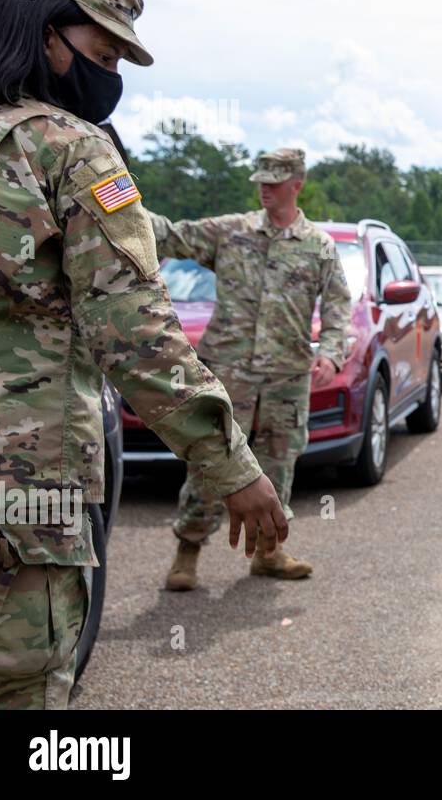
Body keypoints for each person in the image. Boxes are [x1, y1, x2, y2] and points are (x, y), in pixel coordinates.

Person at [0, 0, 287, 710]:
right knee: (18, 688)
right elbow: (136, 334)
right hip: (20, 495)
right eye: (104, 54)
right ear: (46, 34)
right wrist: (232, 467)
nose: (110, 77)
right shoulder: (68, 149)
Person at [152, 148, 352, 589]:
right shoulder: (231, 232)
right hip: (229, 371)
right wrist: (111, 204)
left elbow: (338, 306)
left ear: (296, 184)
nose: (264, 187)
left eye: (274, 181)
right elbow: (168, 235)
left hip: (287, 375)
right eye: (260, 180)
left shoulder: (318, 246)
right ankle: (187, 553)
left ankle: (269, 553)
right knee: (212, 461)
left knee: (279, 464)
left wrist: (332, 352)